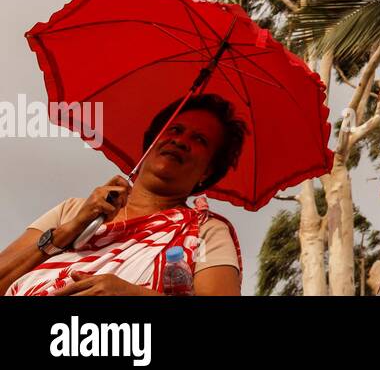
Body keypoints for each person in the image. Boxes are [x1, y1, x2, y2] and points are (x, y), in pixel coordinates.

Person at [0, 93, 246, 295]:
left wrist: (132, 294)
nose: (180, 141)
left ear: (209, 170)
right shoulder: (72, 210)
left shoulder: (205, 231)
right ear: (151, 141)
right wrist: (72, 228)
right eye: (174, 129)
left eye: (199, 139)